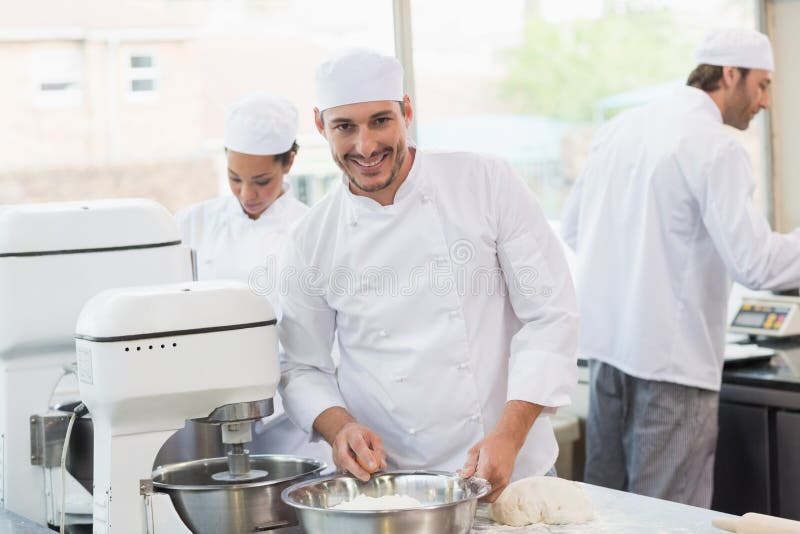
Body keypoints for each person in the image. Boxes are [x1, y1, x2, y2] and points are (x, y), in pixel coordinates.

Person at [277, 48, 578, 501]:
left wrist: (510, 436)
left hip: (514, 475)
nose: (365, 146)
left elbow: (550, 314)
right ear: (320, 125)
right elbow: (301, 366)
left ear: (407, 111)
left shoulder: (485, 182)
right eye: (345, 127)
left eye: (381, 120)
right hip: (397, 491)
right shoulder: (310, 238)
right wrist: (341, 429)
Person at [561, 28, 800, 507]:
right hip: (673, 368)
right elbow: (757, 265)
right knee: (670, 515)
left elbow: (573, 229)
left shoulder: (622, 128)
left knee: (607, 512)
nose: (766, 101)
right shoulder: (716, 146)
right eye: (762, 84)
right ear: (730, 75)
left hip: (607, 357)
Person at [175, 92, 332, 463]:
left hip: (291, 418)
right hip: (207, 414)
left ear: (290, 161)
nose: (248, 194)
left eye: (261, 180)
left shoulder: (313, 231)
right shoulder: (190, 224)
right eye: (235, 179)